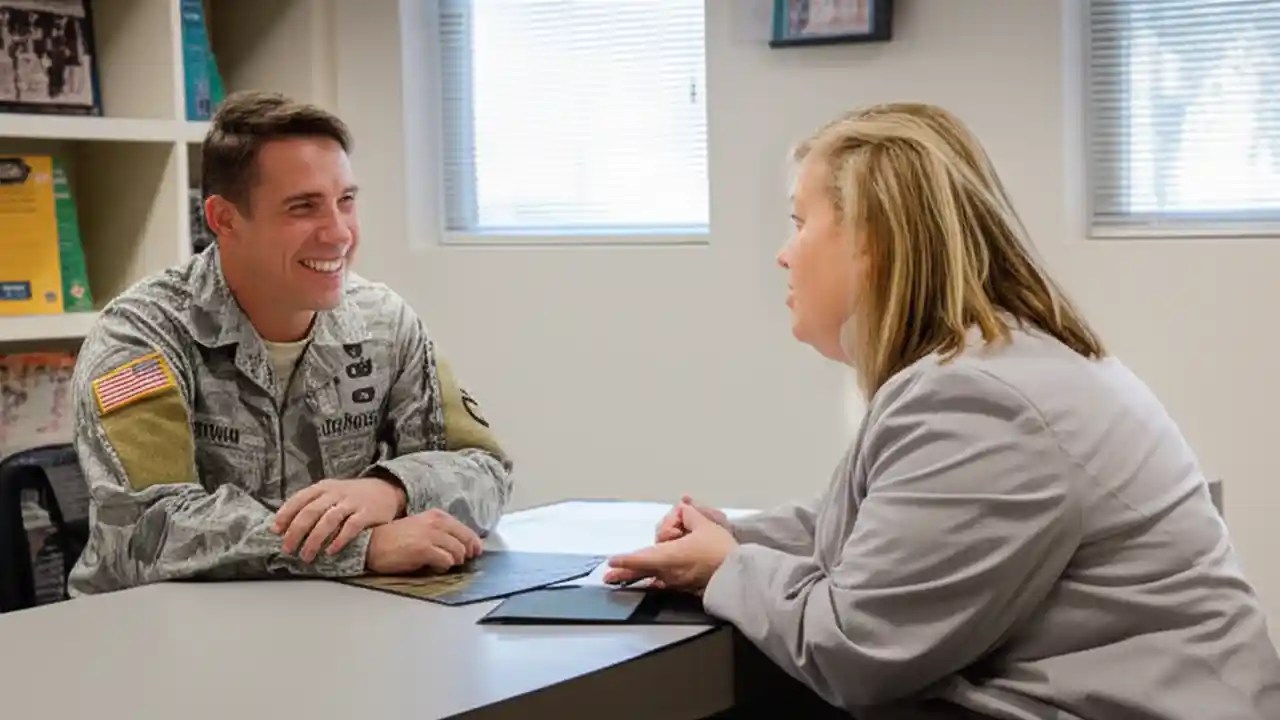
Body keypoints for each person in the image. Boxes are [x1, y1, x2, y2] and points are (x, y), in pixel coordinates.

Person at [606, 103, 1280, 718]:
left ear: (872, 239)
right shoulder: (1000, 368)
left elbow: (854, 649)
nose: (784, 254)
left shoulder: (982, 403)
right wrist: (743, 537)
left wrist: (725, 567)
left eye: (799, 222)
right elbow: (896, 534)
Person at [68, 91, 513, 596]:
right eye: (303, 208)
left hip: (332, 625)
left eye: (346, 201)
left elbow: (485, 471)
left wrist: (390, 489)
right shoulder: (141, 335)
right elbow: (148, 530)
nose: (339, 233)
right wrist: (359, 547)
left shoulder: (384, 323)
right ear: (224, 220)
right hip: (157, 639)